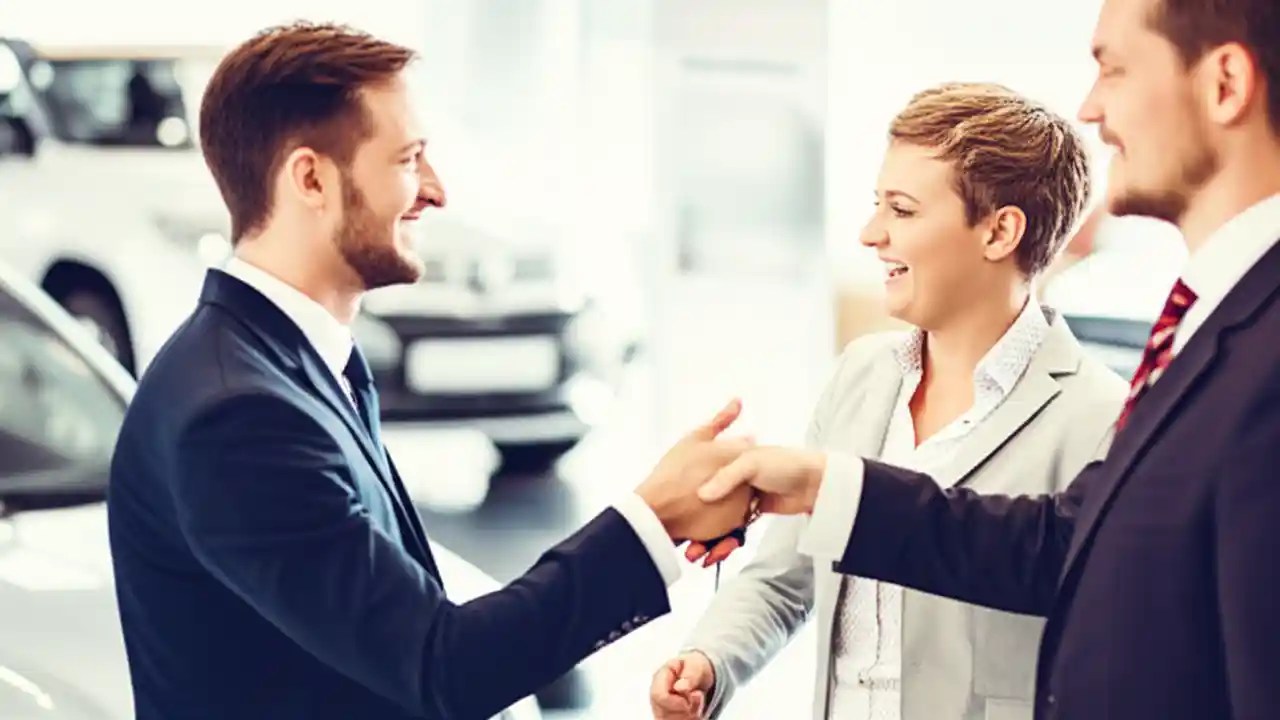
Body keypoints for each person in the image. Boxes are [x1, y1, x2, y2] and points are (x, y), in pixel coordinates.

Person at [107, 23, 754, 720]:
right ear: (311, 178)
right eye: (409, 159)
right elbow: (443, 665)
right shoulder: (235, 415)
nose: (436, 192)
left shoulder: (293, 363)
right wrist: (655, 516)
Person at [696, 0, 1280, 717]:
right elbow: (1055, 544)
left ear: (1224, 84)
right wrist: (824, 486)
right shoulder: (1210, 319)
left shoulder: (1127, 397)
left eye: (1114, 68)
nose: (1092, 108)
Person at [650, 83, 1126, 720]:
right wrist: (710, 661)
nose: (870, 233)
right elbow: (784, 578)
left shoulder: (1101, 417)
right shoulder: (862, 375)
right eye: (877, 204)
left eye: (901, 210)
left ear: (999, 231)